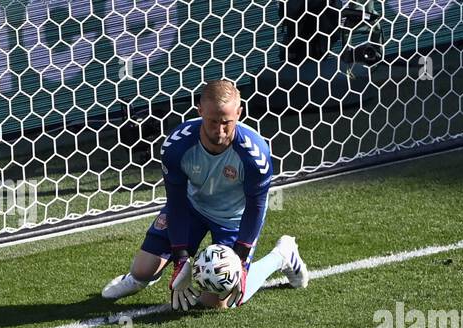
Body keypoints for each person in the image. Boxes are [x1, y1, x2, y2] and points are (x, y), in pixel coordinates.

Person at [101, 80, 308, 311]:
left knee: (220, 301)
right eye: (212, 121)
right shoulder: (176, 146)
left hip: (233, 220)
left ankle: (282, 255)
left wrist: (240, 261)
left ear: (239, 113)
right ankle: (141, 278)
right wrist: (180, 259)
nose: (219, 130)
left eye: (226, 122)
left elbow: (256, 207)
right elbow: (176, 203)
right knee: (141, 269)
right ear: (200, 111)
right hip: (192, 209)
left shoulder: (255, 156)